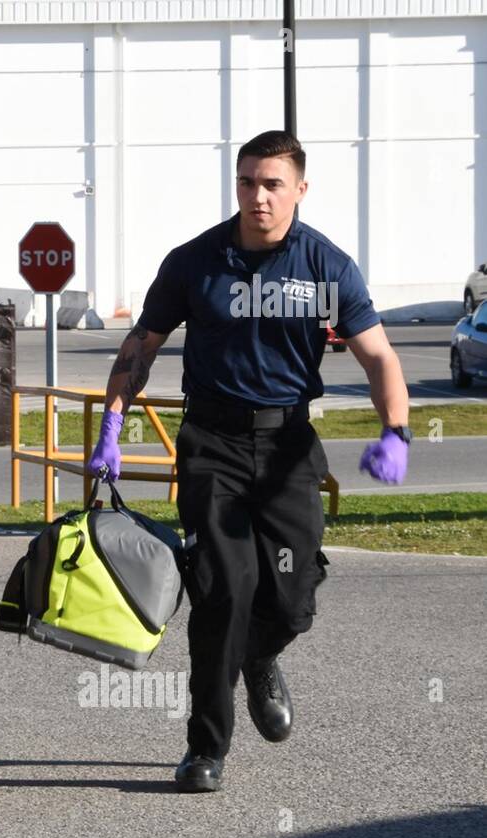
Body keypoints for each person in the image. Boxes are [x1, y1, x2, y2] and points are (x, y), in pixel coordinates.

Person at [88, 130, 411, 792]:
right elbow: (142, 344)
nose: (257, 196)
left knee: (293, 597)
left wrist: (397, 431)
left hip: (287, 445)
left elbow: (378, 355)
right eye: (246, 182)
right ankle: (206, 747)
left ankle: (263, 655)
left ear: (299, 188)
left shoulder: (326, 266)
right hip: (212, 443)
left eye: (271, 183)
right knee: (220, 591)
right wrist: (113, 423)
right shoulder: (196, 262)